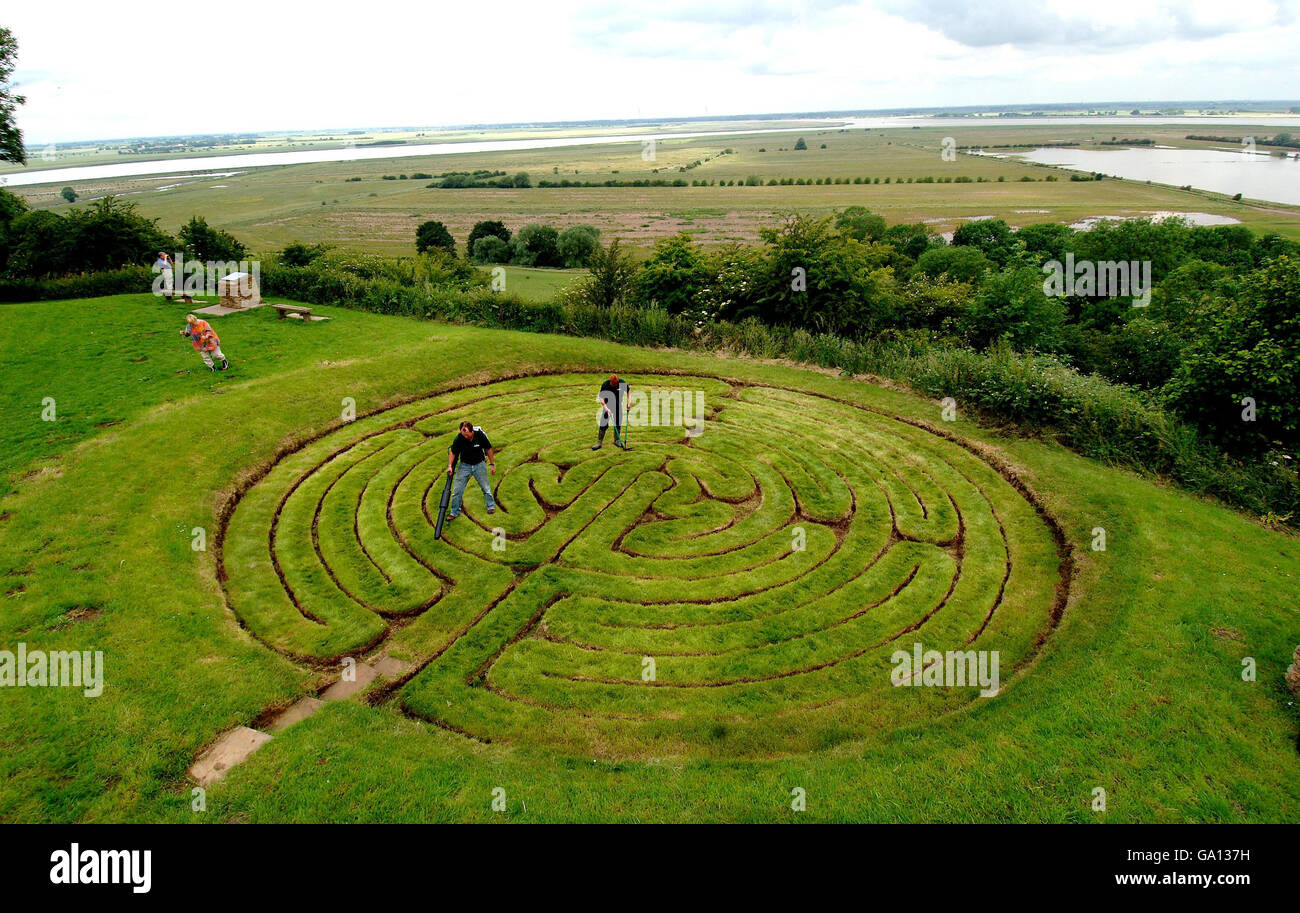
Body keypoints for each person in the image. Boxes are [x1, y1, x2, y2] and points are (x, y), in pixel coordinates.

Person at [445, 421, 496, 521]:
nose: (465, 437)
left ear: (472, 431)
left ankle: (491, 506)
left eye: (467, 434)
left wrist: (492, 464)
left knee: (485, 487)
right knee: (457, 490)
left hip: (479, 465)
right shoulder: (460, 437)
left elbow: (488, 448)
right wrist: (450, 466)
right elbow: (453, 452)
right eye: (463, 434)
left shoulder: (480, 435)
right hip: (464, 466)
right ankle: (454, 512)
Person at [592, 373, 628, 450]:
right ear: (610, 382)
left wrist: (630, 402)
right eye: (614, 384)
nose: (615, 385)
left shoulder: (621, 383)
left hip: (618, 406)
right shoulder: (605, 385)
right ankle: (599, 442)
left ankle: (616, 440)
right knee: (603, 423)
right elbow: (601, 398)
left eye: (616, 384)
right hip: (607, 406)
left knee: (618, 423)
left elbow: (629, 392)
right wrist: (606, 408)